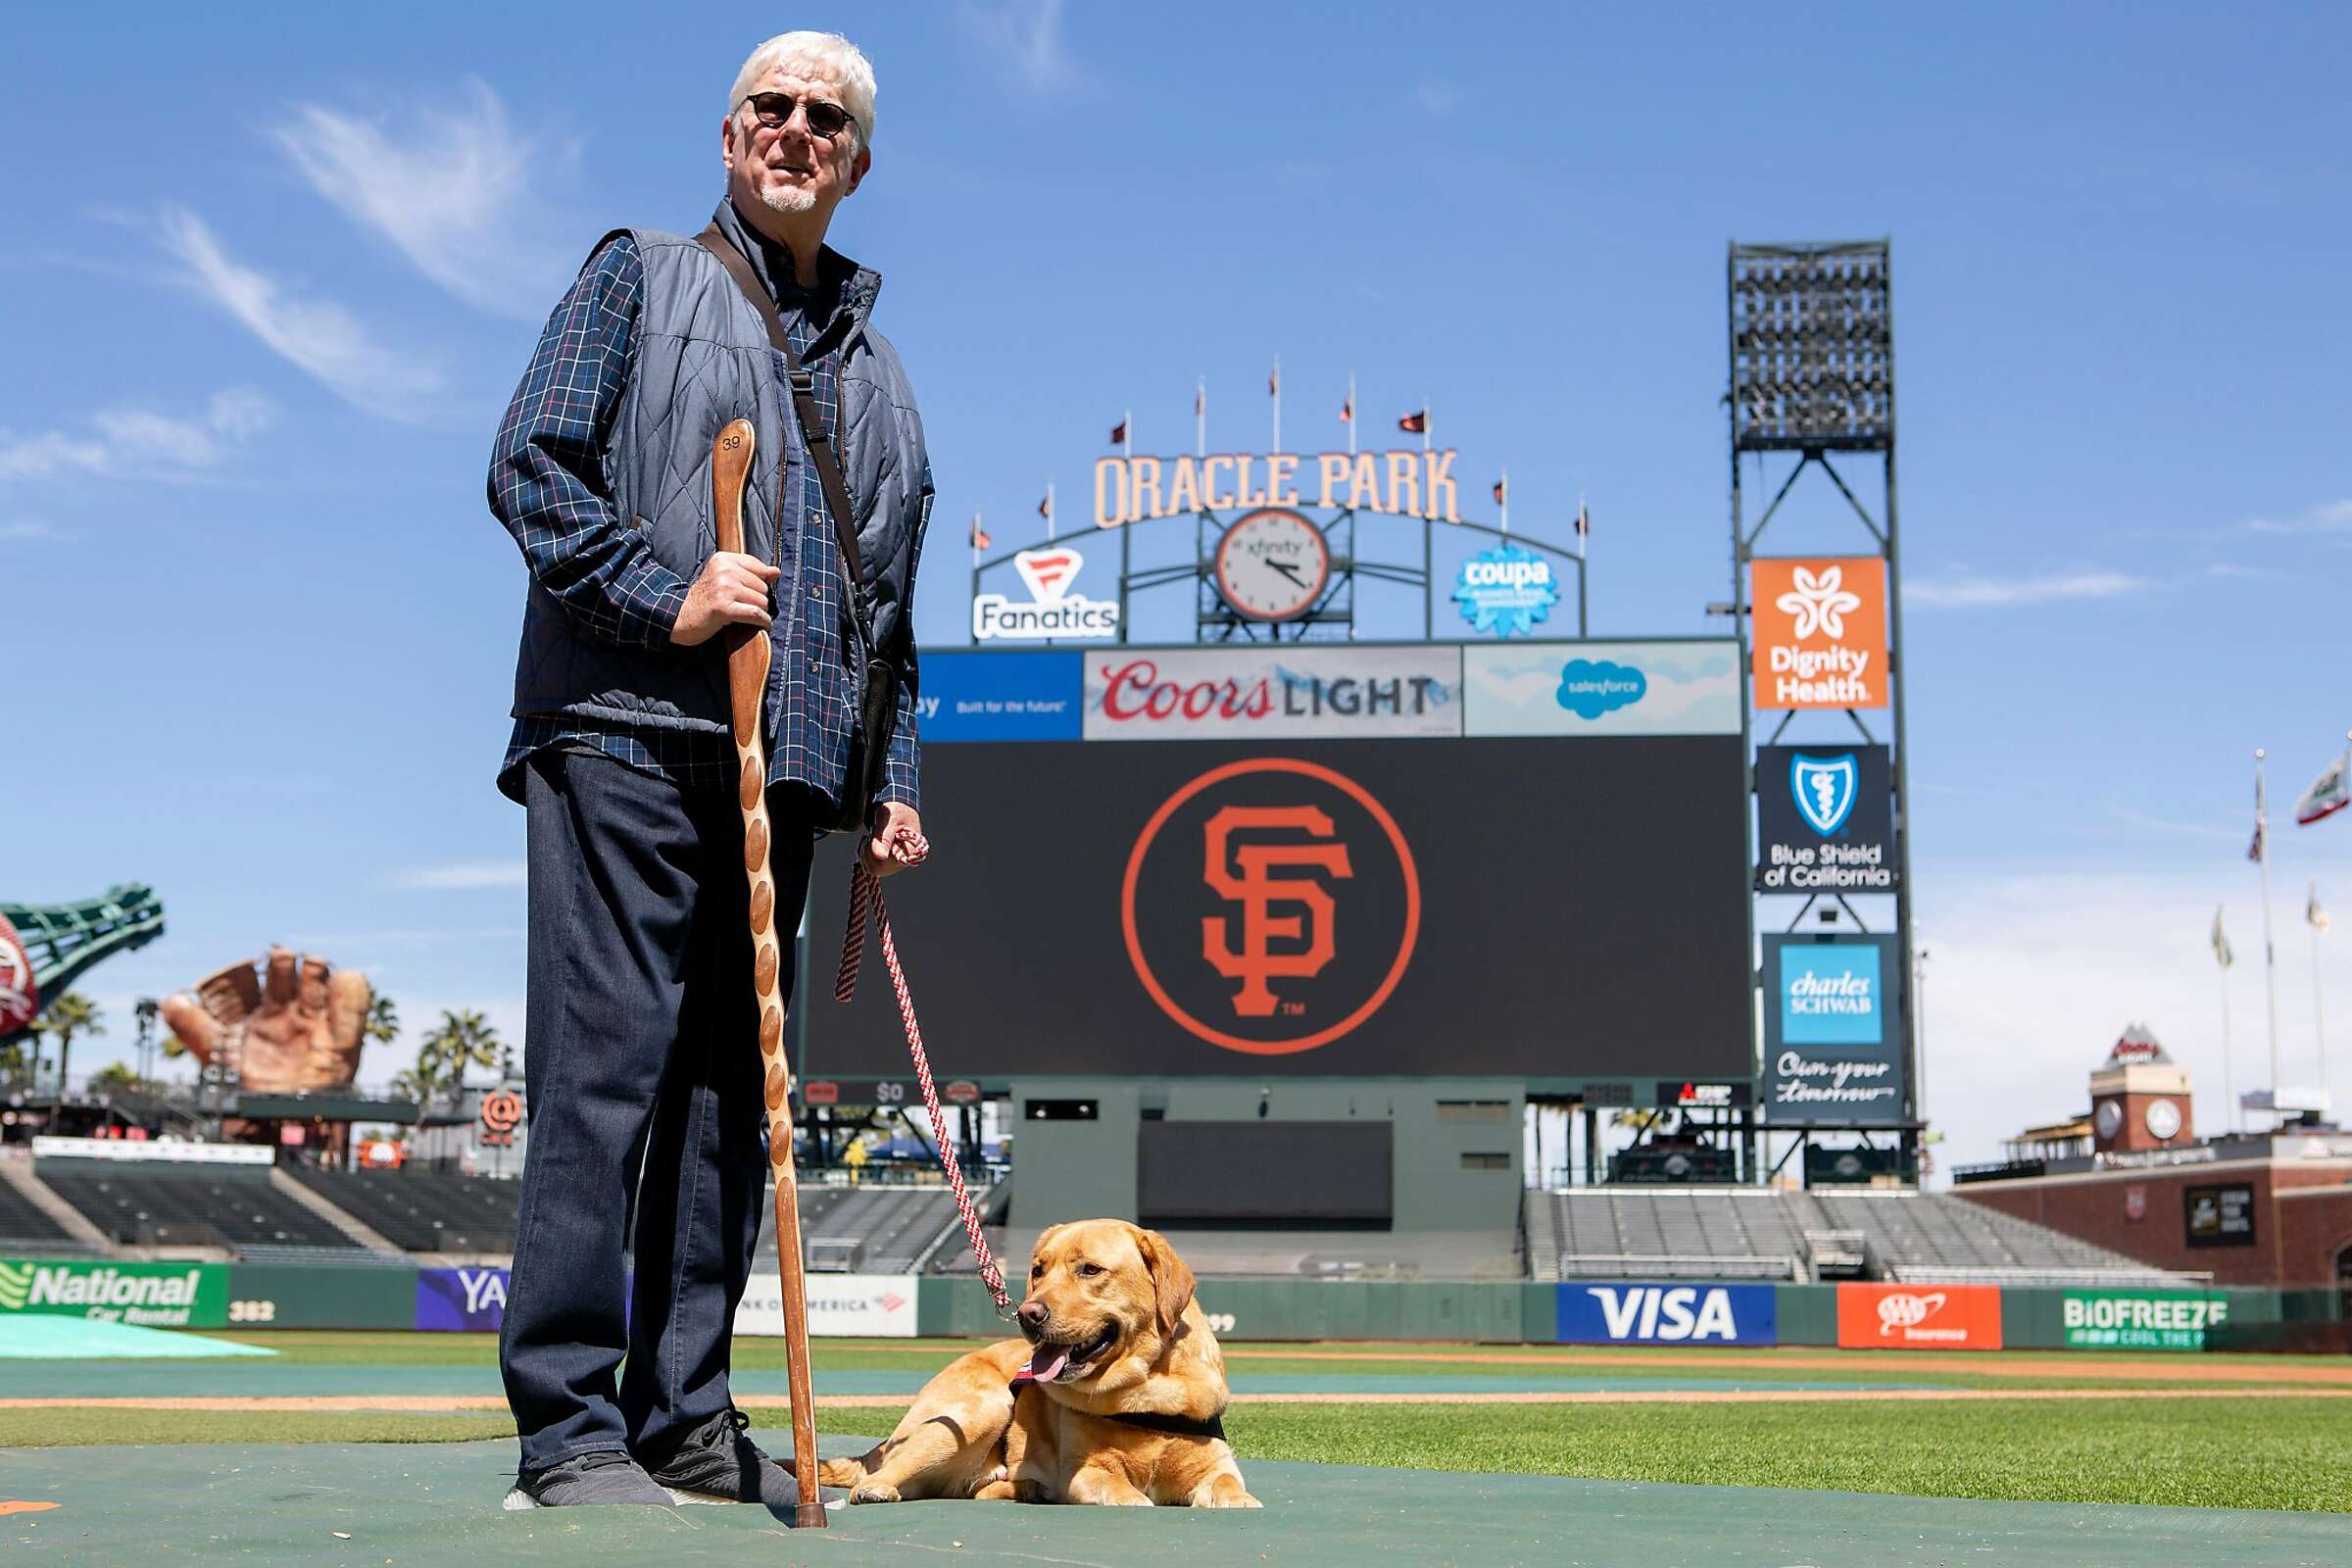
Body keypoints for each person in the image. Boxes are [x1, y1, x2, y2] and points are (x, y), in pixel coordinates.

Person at [486, 30, 933, 1508]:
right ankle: (568, 1429)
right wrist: (662, 595)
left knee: (734, 1111)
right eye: (771, 107)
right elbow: (530, 464)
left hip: (783, 776)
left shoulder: (884, 378)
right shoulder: (638, 273)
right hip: (623, 730)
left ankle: (684, 1418)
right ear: (731, 136)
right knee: (602, 1080)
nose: (796, 128)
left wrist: (888, 777)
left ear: (857, 161)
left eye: (827, 117)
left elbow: (884, 613)